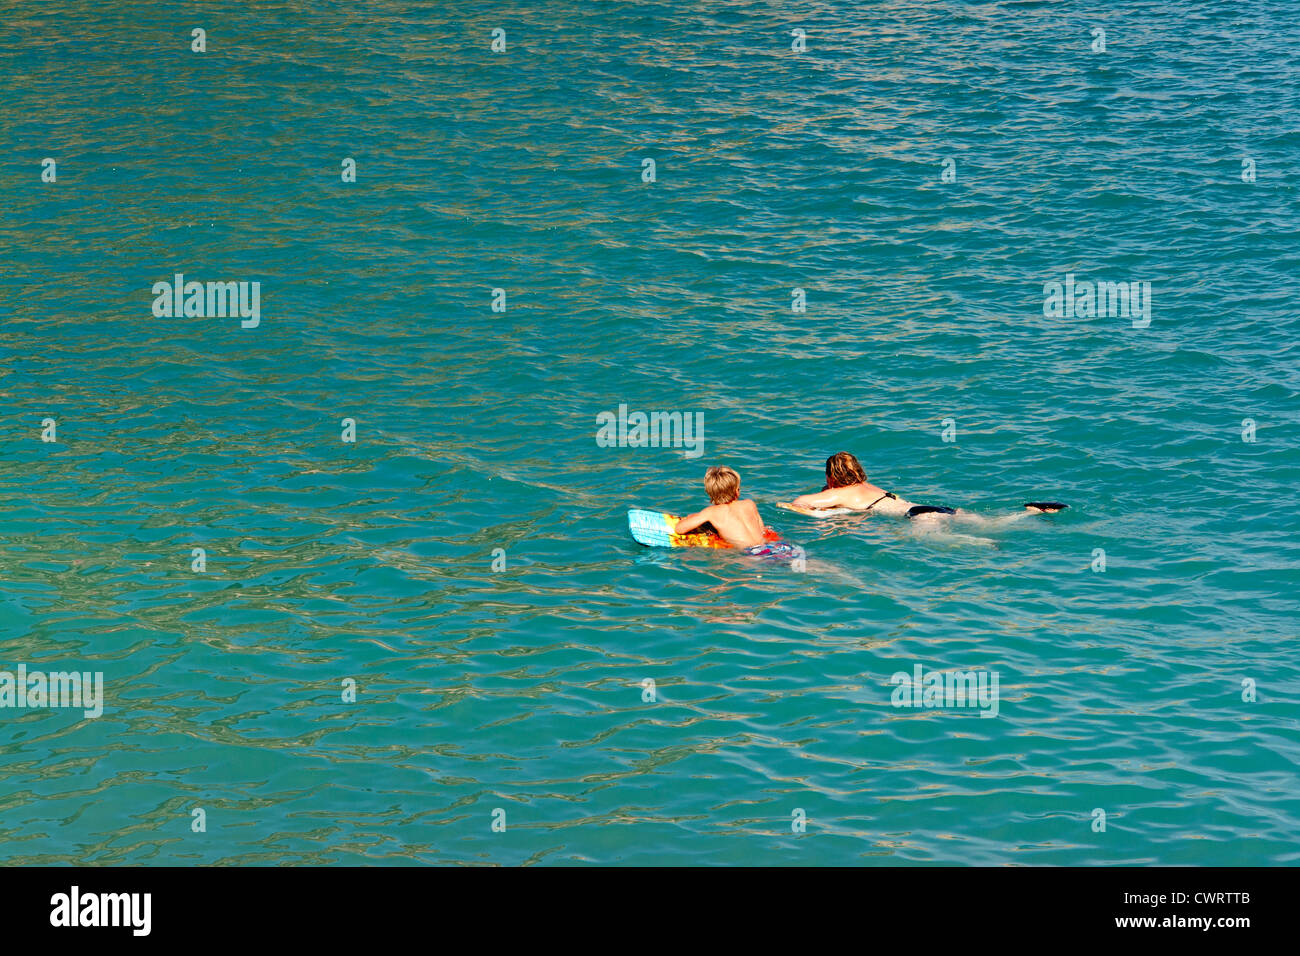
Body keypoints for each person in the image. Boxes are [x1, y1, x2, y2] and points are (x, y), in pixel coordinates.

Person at [782, 452, 1066, 523]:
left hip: (919, 518)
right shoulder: (869, 486)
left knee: (949, 542)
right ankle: (1031, 513)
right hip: (937, 508)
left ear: (832, 477)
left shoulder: (837, 492)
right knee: (991, 522)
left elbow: (799, 503)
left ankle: (977, 545)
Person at [675, 466, 798, 557]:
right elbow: (762, 530)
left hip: (752, 554)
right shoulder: (749, 504)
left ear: (710, 494)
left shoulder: (711, 513)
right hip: (776, 546)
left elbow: (679, 529)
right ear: (737, 491)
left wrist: (694, 518)